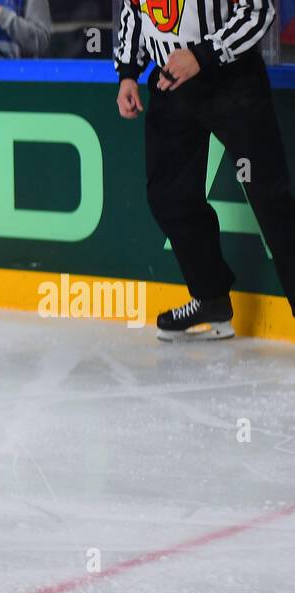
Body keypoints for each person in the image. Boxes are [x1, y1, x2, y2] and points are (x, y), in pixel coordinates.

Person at [115, 0, 294, 340]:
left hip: (233, 82)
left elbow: (259, 12)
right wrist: (127, 73)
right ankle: (210, 298)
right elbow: (134, 11)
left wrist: (201, 55)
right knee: (169, 197)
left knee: (271, 201)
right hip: (171, 83)